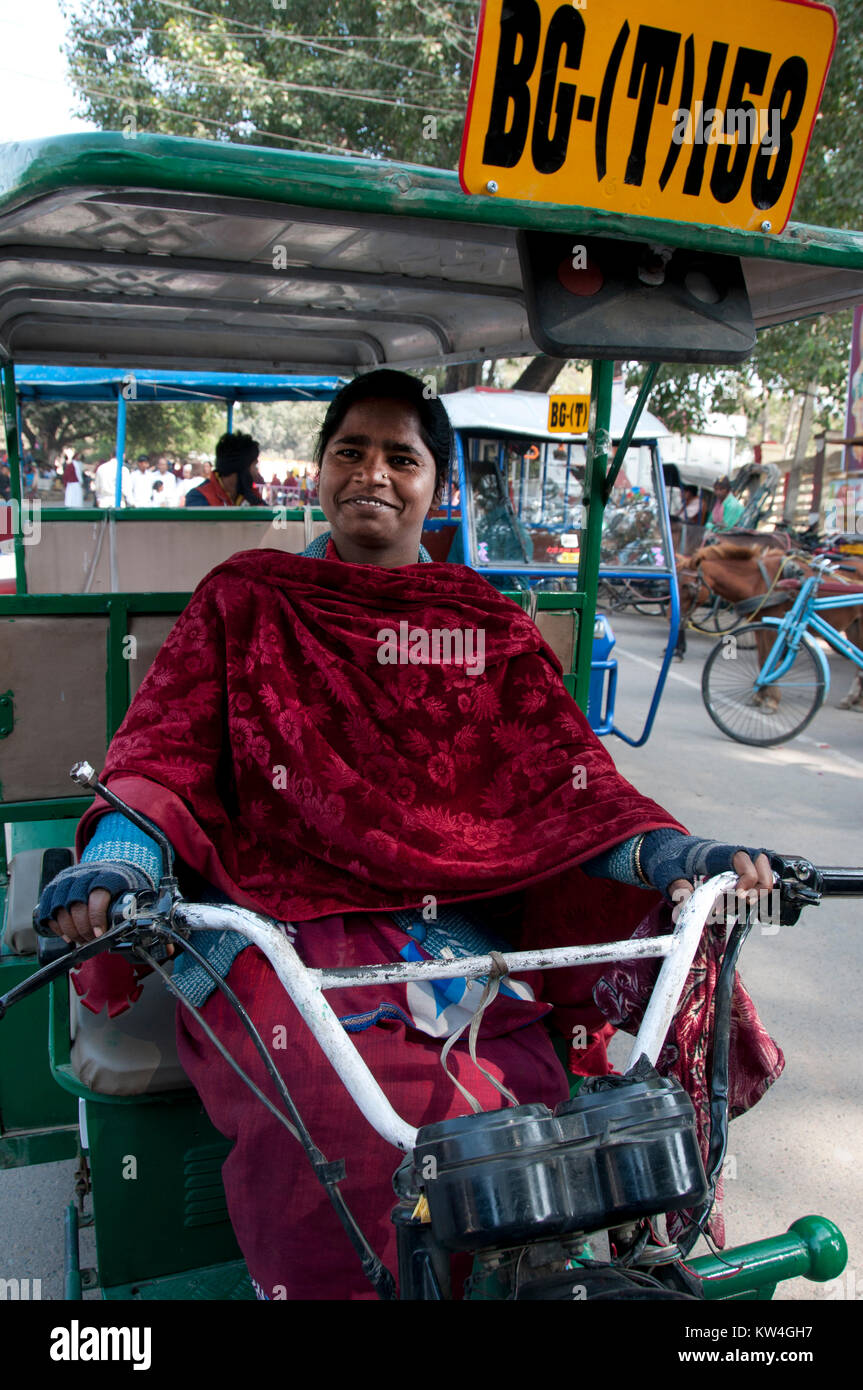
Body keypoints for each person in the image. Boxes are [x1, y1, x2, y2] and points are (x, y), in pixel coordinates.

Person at [36, 371, 782, 1300]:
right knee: (335, 1112)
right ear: (318, 468)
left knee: (520, 1098)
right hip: (274, 919)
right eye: (350, 451)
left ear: (437, 483)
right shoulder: (246, 598)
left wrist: (675, 856)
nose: (373, 474)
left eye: (402, 457)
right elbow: (162, 753)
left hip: (450, 929)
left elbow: (571, 787)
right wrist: (119, 859)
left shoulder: (484, 626)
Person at [185, 433, 264, 507]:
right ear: (240, 468)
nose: (256, 473)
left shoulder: (253, 496)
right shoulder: (199, 497)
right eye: (254, 466)